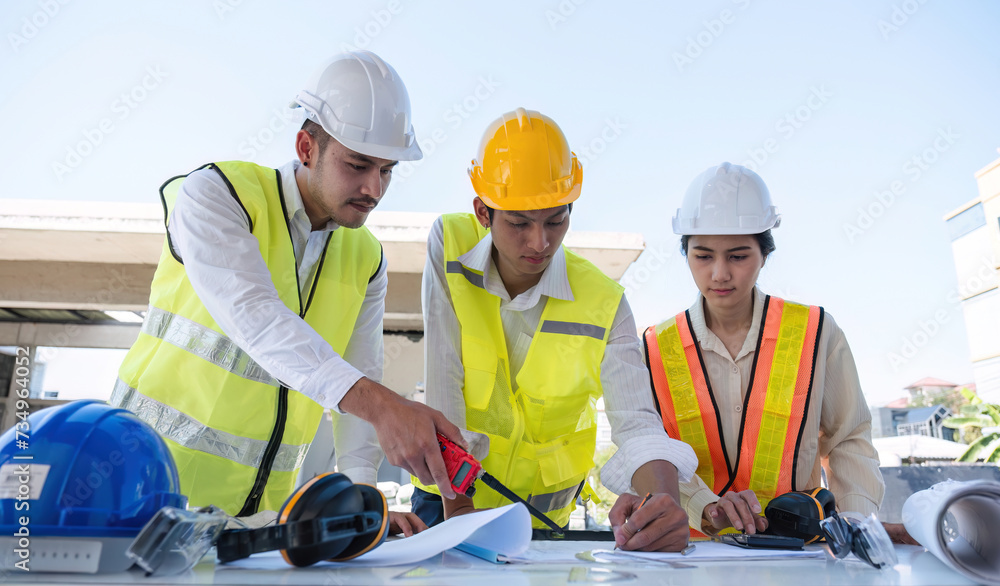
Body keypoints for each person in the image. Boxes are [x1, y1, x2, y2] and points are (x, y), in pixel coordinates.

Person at [110, 50, 464, 536]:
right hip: (139, 494)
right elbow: (255, 317)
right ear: (306, 147)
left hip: (261, 526)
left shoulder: (366, 258)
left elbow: (361, 371)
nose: (374, 188)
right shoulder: (218, 195)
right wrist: (384, 406)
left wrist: (363, 499)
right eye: (358, 164)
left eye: (386, 170)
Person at [411, 107, 698, 552]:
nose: (539, 242)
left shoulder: (605, 302)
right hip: (448, 505)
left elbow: (637, 423)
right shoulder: (449, 245)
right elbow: (444, 374)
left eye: (556, 220)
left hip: (545, 519)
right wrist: (460, 517)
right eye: (520, 223)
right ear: (483, 212)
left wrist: (662, 502)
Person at [643, 162, 915, 544]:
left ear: (764, 255)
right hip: (697, 550)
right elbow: (650, 450)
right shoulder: (655, 346)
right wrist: (703, 504)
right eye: (703, 256)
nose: (720, 273)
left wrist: (854, 523)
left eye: (738, 256)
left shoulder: (815, 332)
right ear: (685, 253)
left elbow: (848, 438)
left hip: (799, 547)